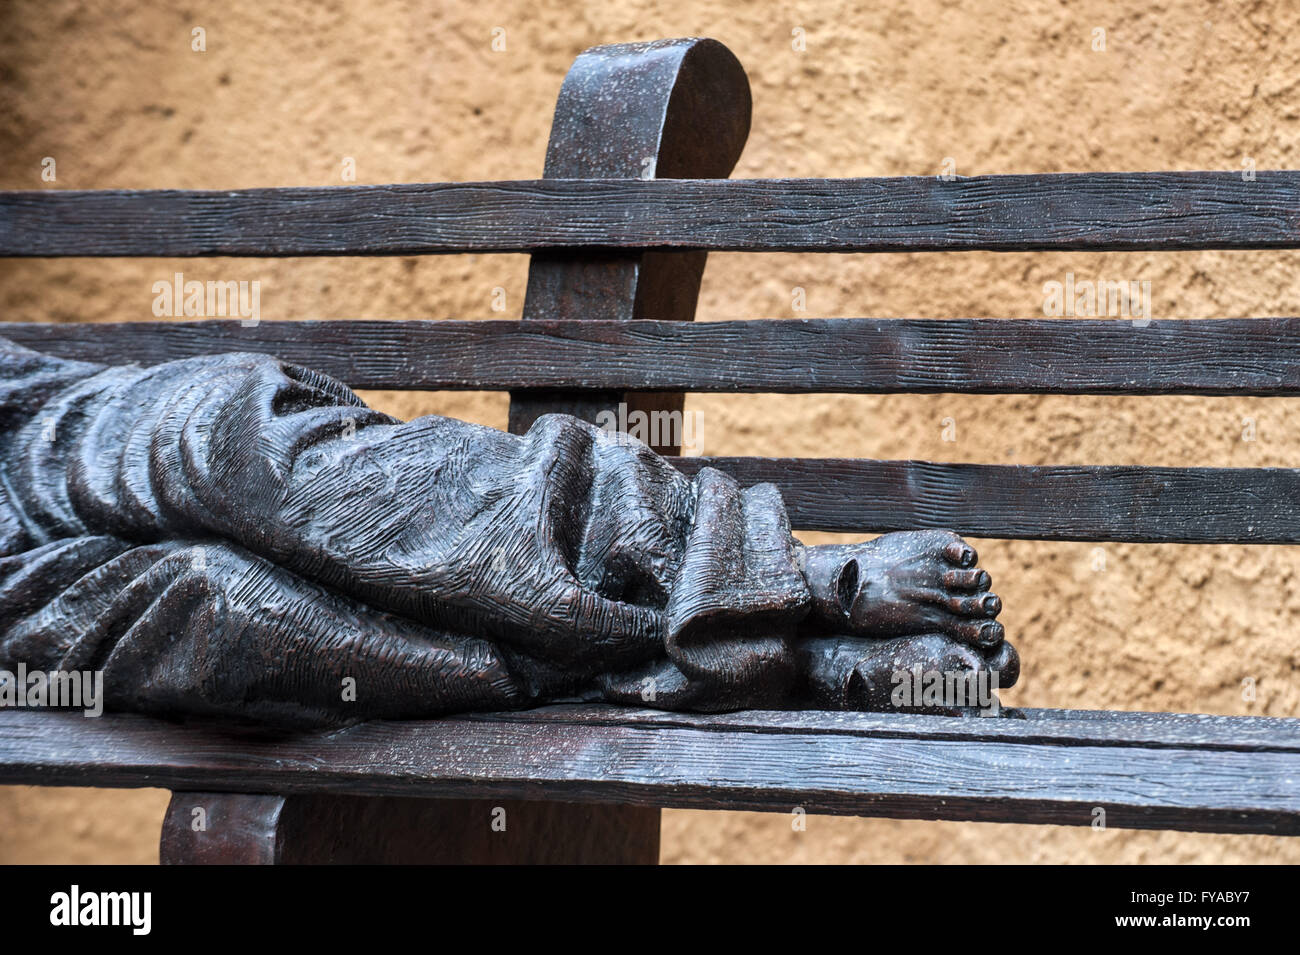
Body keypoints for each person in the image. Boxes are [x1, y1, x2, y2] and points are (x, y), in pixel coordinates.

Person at [0, 336, 1016, 728]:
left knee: (241, 440)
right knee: (217, 612)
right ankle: (777, 660)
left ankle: (778, 575)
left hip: (22, 431)